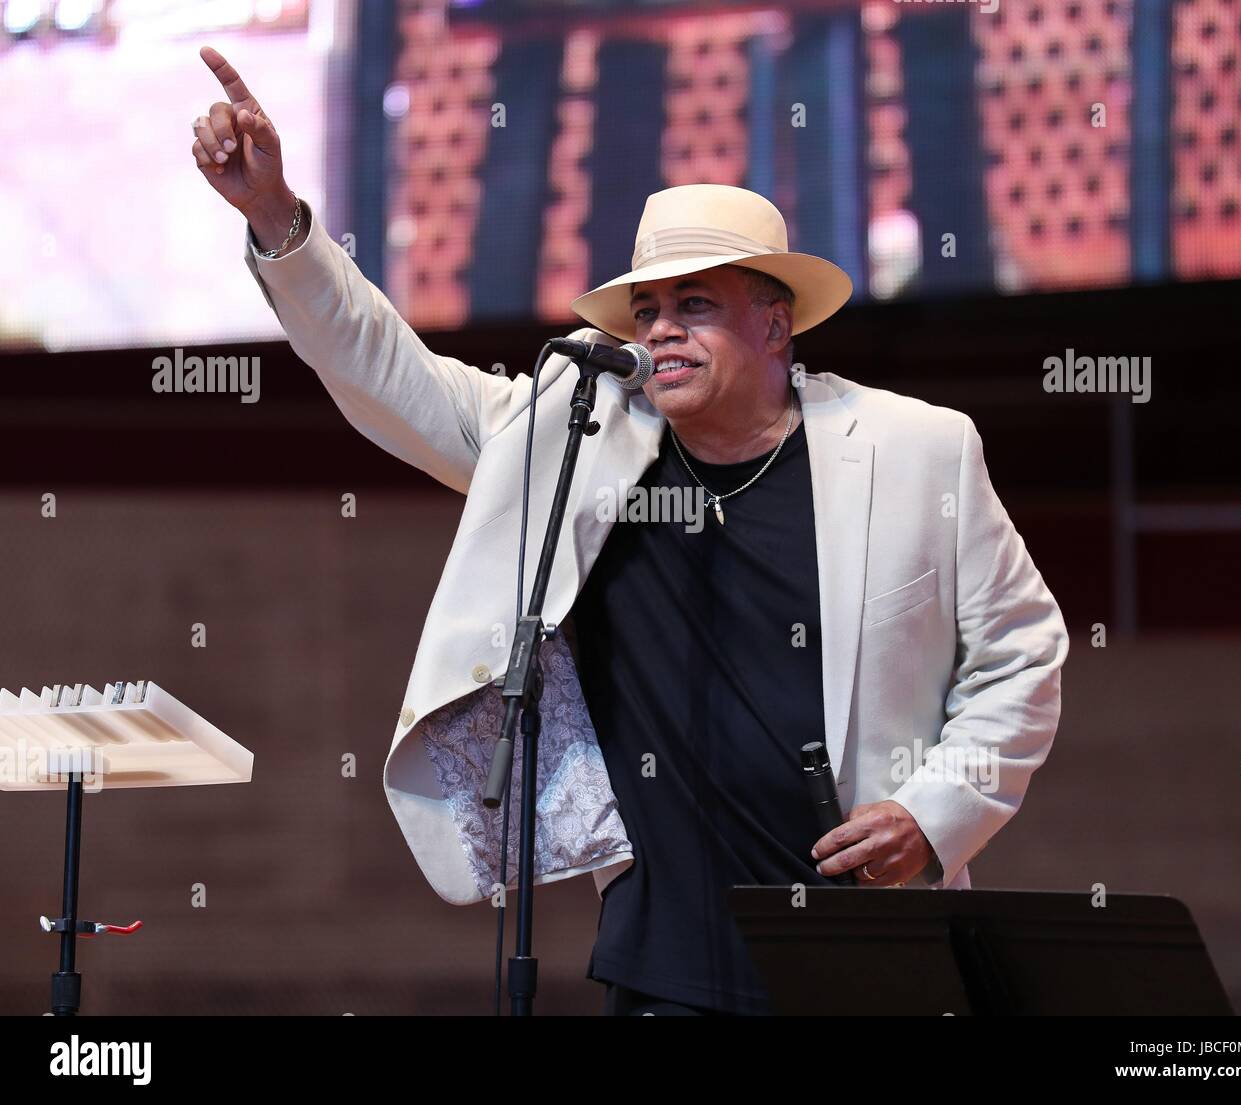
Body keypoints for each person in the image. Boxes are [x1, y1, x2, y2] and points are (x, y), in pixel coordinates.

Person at [192, 46, 1069, 1016]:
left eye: (695, 305)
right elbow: (386, 374)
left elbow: (1019, 656)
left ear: (776, 327)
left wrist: (933, 814)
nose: (660, 331)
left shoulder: (917, 451)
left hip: (867, 945)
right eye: (646, 310)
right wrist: (276, 219)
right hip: (664, 953)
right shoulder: (581, 440)